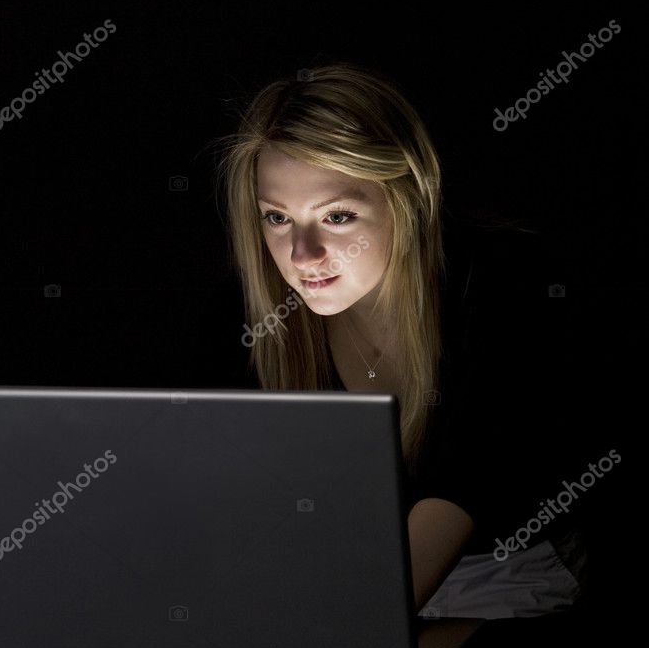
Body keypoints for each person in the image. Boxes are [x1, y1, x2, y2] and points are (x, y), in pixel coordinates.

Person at [212, 61, 589, 619]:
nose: (302, 255)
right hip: (362, 578)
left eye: (337, 215)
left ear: (406, 200)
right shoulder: (269, 316)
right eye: (277, 217)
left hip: (511, 581)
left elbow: (466, 481)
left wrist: (338, 632)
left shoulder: (502, 281)